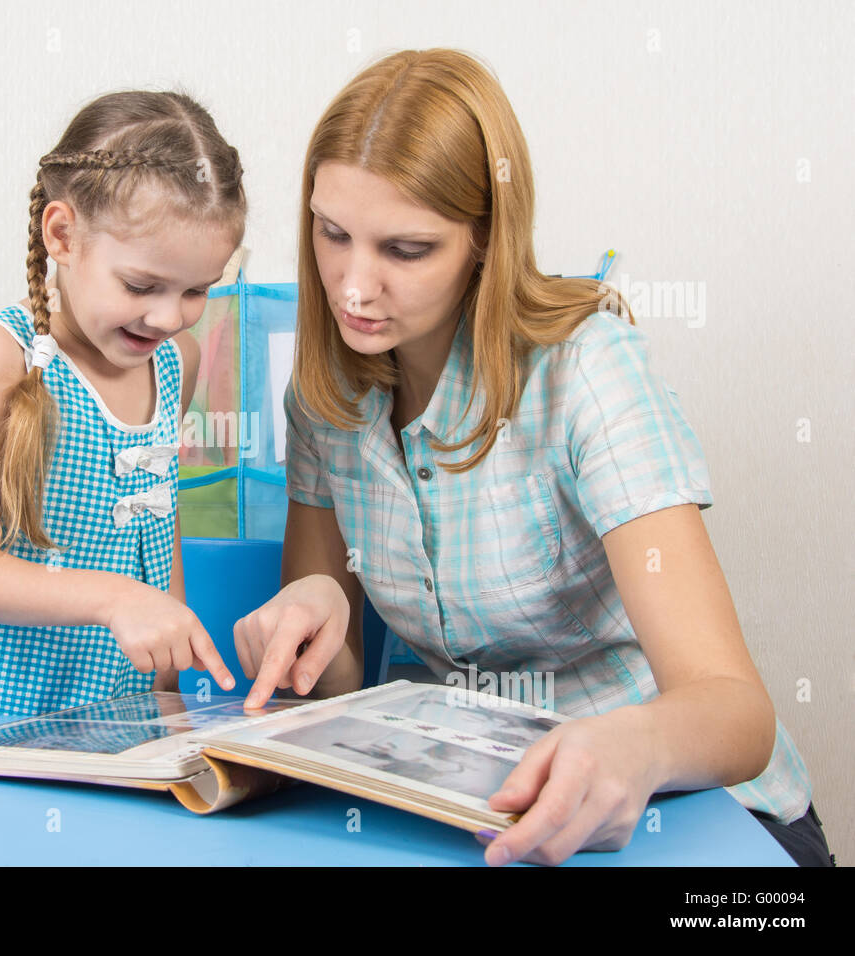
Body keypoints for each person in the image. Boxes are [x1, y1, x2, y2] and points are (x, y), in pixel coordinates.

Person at [232, 49, 834, 867]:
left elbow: (737, 714)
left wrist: (634, 745)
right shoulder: (324, 395)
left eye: (406, 249)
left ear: (485, 239)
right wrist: (313, 616)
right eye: (333, 233)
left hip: (692, 812)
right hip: (472, 811)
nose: (353, 287)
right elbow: (332, 683)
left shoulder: (588, 370)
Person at [0, 90, 242, 717]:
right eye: (141, 285)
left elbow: (157, 536)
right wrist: (113, 598)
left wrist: (166, 696)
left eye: (197, 290)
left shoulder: (176, 363)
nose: (169, 317)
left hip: (96, 720)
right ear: (62, 234)